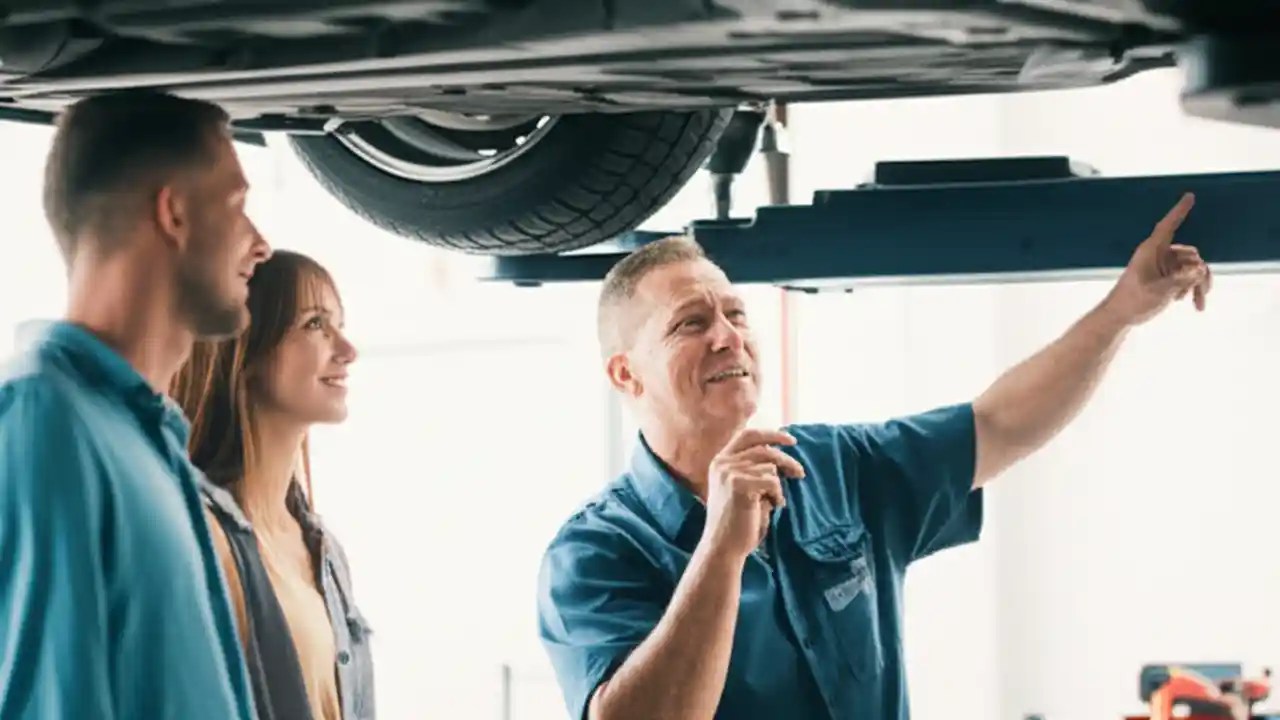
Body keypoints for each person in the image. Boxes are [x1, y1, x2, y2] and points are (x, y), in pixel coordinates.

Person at [536, 194, 1212, 720]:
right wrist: (722, 548)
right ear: (626, 375)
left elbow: (1002, 424)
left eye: (735, 314)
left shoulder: (833, 467)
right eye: (691, 322)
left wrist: (1125, 308)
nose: (727, 338)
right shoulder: (595, 554)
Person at [0, 91, 271, 719]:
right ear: (173, 212)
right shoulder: (44, 423)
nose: (260, 245)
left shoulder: (149, 442)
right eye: (237, 205)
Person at [170, 249, 374, 720]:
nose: (347, 350)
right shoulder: (202, 540)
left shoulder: (321, 548)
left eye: (338, 323)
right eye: (315, 324)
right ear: (246, 349)